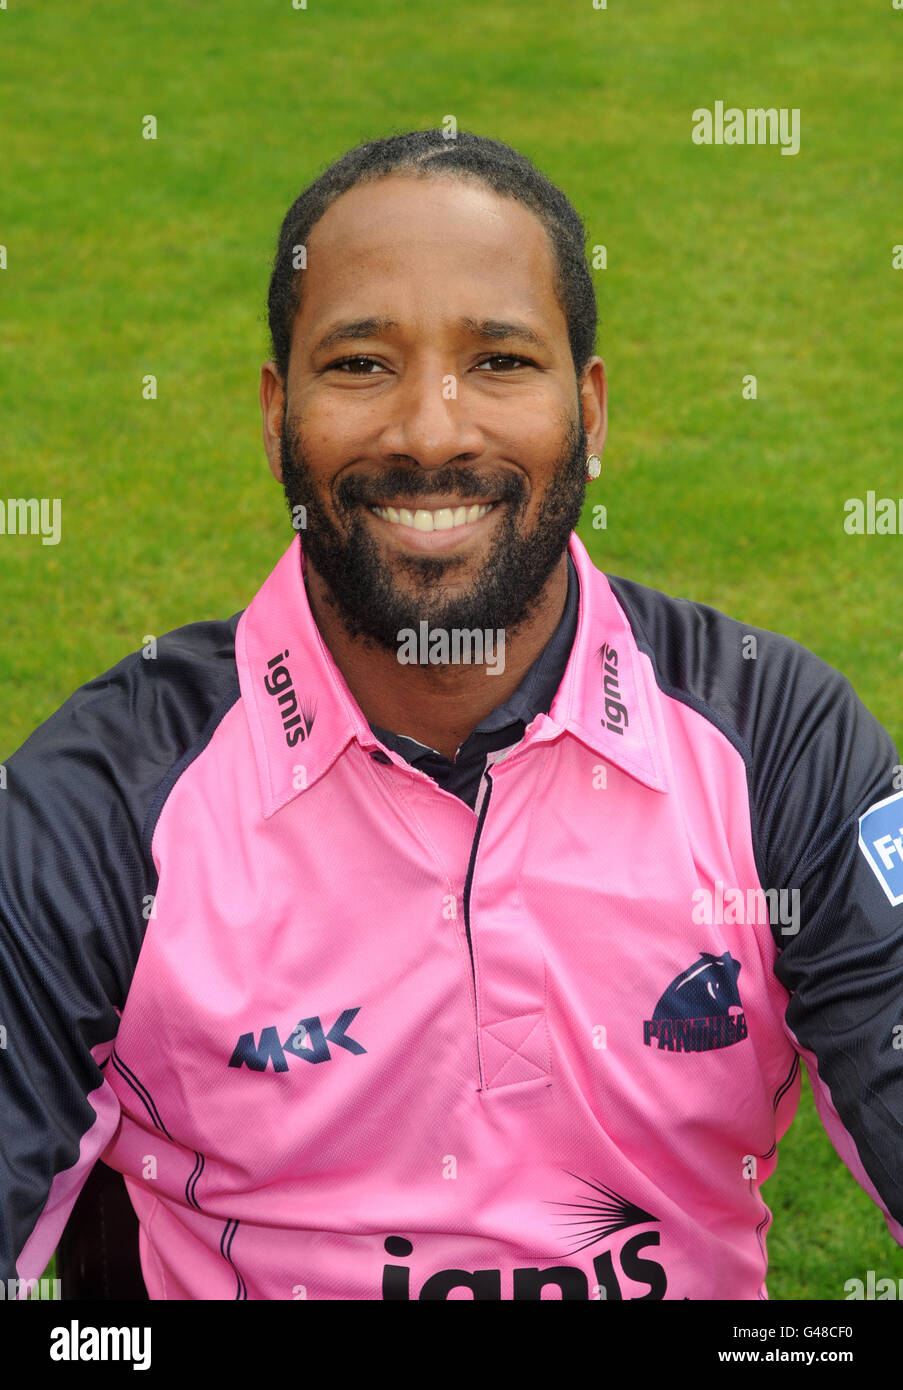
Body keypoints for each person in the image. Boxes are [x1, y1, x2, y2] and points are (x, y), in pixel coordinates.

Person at [1, 128, 901, 1302]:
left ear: (591, 409)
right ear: (277, 416)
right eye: (362, 364)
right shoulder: (98, 802)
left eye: (501, 362)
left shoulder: (781, 742)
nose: (431, 433)